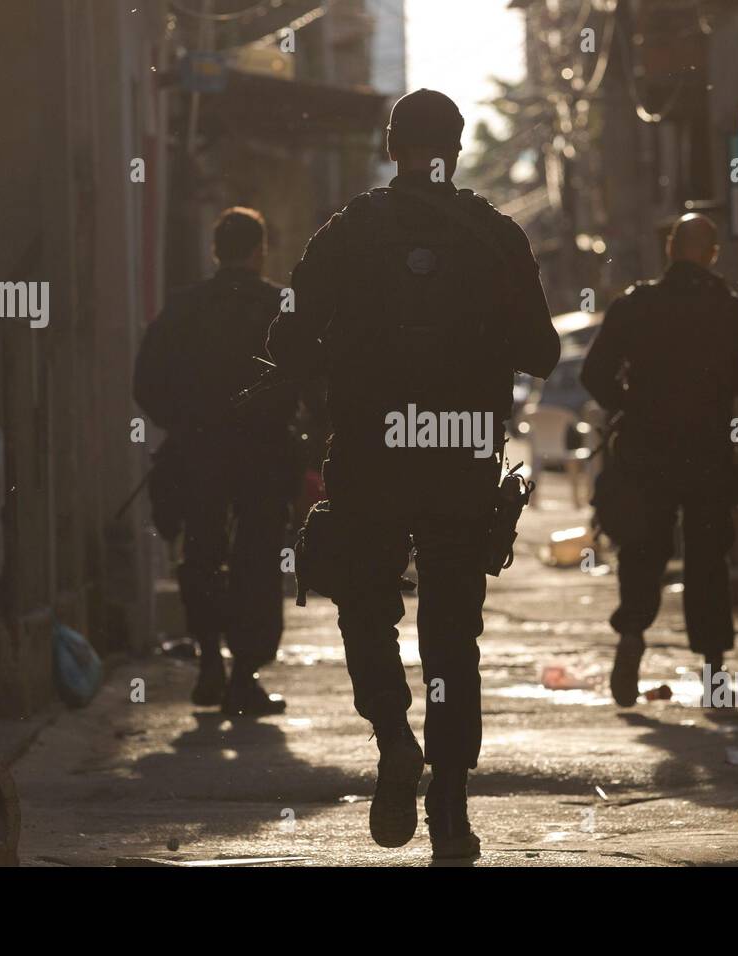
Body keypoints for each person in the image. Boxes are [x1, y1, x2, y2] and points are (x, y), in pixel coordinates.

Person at [267, 90, 559, 859]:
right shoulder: (495, 236)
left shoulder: (351, 231)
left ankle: (395, 738)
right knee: (453, 630)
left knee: (365, 606)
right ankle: (453, 804)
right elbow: (544, 353)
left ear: (391, 148)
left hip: (370, 451)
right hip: (460, 456)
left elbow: (288, 333)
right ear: (455, 149)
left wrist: (324, 368)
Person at [134, 207, 299, 717]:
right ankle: (243, 675)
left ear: (215, 251)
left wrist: (185, 426)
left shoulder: (184, 308)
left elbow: (147, 385)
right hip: (262, 456)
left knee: (201, 554)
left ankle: (209, 662)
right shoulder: (279, 307)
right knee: (257, 560)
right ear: (259, 250)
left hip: (199, 455)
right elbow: (308, 379)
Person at [581, 212, 738, 707]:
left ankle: (631, 635)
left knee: (641, 550)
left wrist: (630, 406)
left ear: (670, 248)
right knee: (707, 559)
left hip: (646, 449)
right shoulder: (730, 310)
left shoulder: (636, 305)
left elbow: (594, 375)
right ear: (713, 254)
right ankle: (715, 674)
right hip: (708, 452)